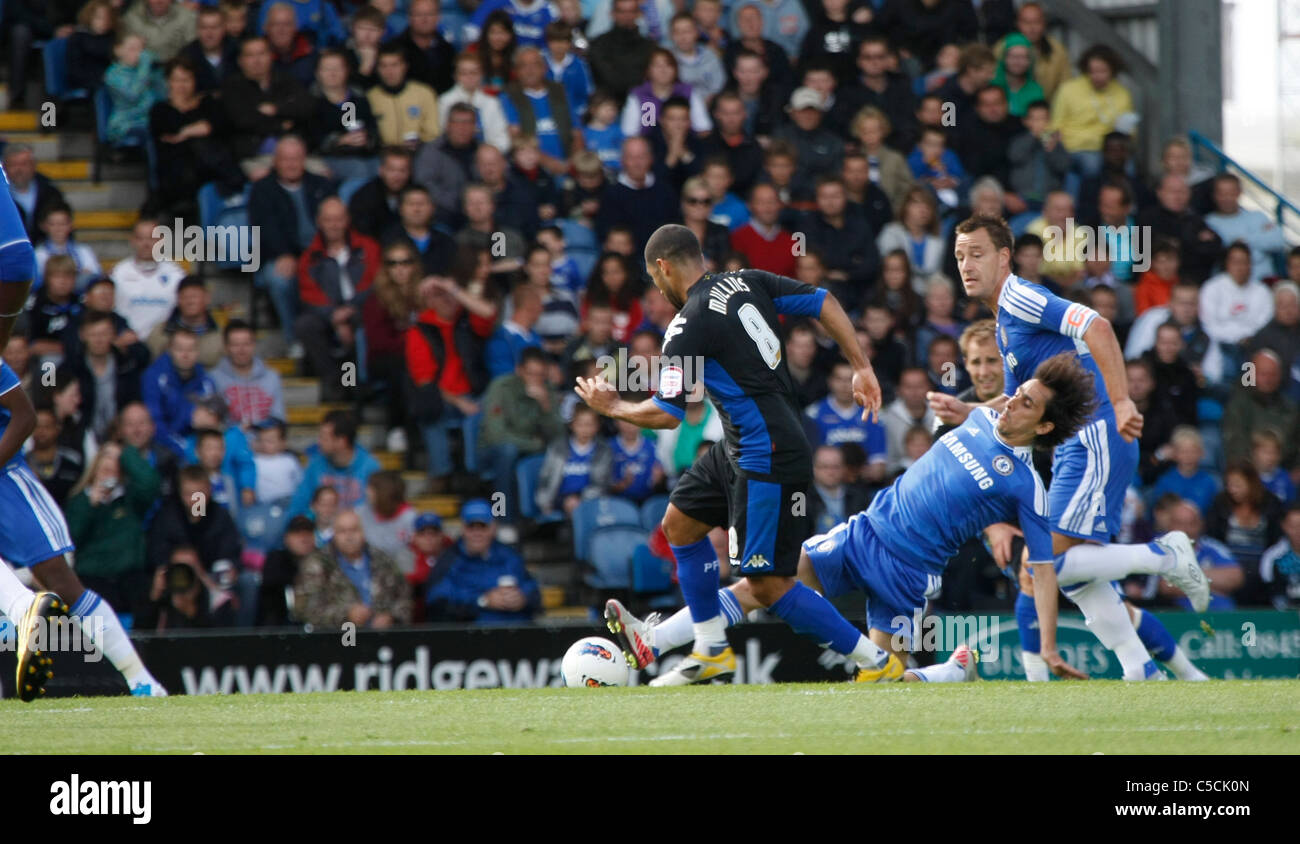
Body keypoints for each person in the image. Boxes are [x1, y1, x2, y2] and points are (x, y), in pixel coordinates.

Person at [613, 353, 1197, 683]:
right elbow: (985, 405)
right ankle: (656, 641)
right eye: (1019, 391)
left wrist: (1045, 644)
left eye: (1028, 402)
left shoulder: (1028, 487)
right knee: (765, 582)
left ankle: (947, 673)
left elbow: (1042, 569)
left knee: (881, 682)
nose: (1015, 398)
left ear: (1044, 426)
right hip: (864, 531)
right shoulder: (981, 418)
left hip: (907, 573)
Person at [576, 223, 884, 686]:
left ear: (662, 268)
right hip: (740, 441)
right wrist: (861, 366)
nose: (658, 291)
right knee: (680, 523)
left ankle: (875, 662)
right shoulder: (746, 281)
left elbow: (667, 413)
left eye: (654, 280)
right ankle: (711, 646)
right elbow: (822, 300)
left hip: (766, 450)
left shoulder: (685, 325)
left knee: (768, 585)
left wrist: (613, 405)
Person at [933, 214, 1210, 682]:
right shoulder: (1002, 322)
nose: (966, 265)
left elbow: (1097, 324)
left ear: (1004, 258)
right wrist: (970, 413)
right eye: (960, 256)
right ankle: (1141, 668)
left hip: (1094, 433)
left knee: (1041, 561)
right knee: (1078, 577)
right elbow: (1020, 404)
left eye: (977, 254)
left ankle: (1164, 556)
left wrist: (1121, 400)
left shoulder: (1020, 295)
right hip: (1074, 444)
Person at [0, 361, 168, 699]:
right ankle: (23, 611)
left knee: (60, 580)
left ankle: (142, 681)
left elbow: (26, 416)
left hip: (6, 479)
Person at [64, 440, 163, 620]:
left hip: (129, 580)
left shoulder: (131, 499)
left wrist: (128, 454)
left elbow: (151, 483)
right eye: (107, 456)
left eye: (117, 459)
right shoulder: (79, 500)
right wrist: (91, 506)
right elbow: (72, 539)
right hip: (92, 580)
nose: (111, 462)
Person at [295, 198, 381, 400]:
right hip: (328, 315)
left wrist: (349, 311)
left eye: (339, 219)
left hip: (360, 310)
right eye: (328, 220)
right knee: (305, 325)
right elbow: (309, 292)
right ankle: (333, 381)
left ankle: (356, 384)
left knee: (364, 323)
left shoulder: (368, 247)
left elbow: (373, 282)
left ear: (347, 220)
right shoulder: (310, 255)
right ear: (319, 222)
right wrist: (334, 316)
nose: (334, 225)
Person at [425, 499, 541, 623]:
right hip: (471, 635)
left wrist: (523, 600)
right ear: (463, 528)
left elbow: (533, 591)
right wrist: (482, 601)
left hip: (517, 632)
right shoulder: (449, 560)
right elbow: (437, 602)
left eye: (483, 526)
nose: (477, 533)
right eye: (471, 527)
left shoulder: (509, 556)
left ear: (493, 528)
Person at [294, 509, 413, 627]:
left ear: (363, 532)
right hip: (336, 639)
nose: (349, 536)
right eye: (342, 531)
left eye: (354, 530)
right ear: (334, 534)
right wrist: (345, 615)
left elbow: (405, 598)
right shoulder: (317, 564)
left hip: (381, 638)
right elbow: (304, 609)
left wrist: (390, 616)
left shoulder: (383, 560)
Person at [288, 410, 381, 516]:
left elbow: (377, 511)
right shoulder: (315, 464)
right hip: (322, 528)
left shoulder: (370, 467)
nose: (319, 442)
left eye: (324, 438)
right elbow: (299, 504)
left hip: (357, 529)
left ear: (341, 441)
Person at [110, 219, 188, 340]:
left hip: (164, 343)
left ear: (161, 240)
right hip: (128, 342)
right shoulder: (118, 273)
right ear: (132, 241)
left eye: (152, 238)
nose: (146, 244)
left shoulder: (176, 274)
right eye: (140, 238)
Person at [210, 319, 286, 429]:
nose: (242, 350)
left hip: (265, 441)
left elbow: (278, 419)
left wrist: (257, 428)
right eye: (235, 345)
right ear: (226, 347)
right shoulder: (214, 378)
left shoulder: (272, 377)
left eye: (246, 344)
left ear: (254, 345)